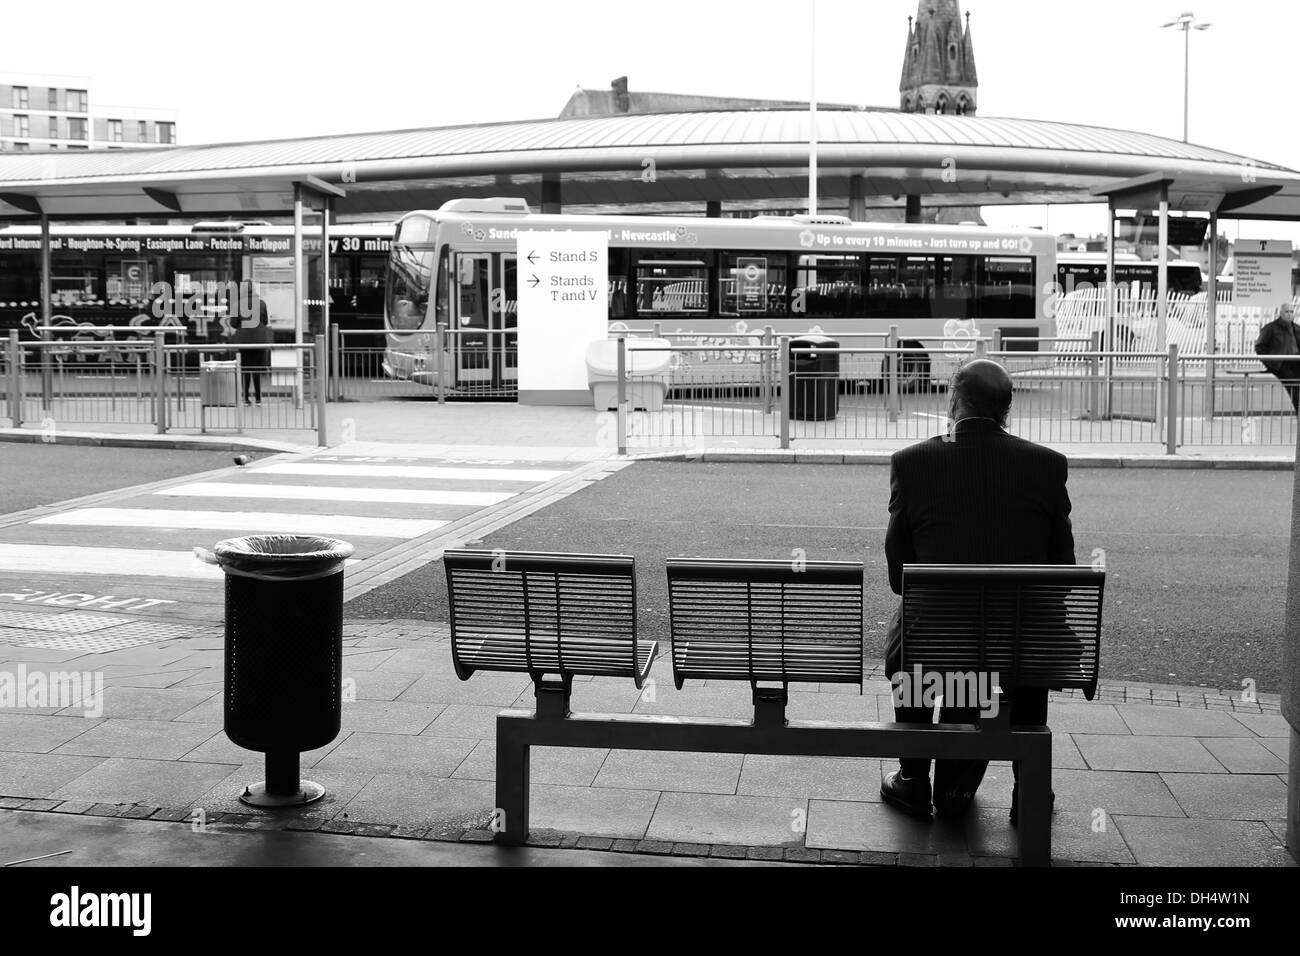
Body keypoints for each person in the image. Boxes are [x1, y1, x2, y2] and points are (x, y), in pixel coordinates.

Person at [880, 359, 1076, 822]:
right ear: (1007, 409)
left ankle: (912, 778)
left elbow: (896, 575)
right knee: (1028, 632)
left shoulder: (912, 463)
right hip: (1018, 651)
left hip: (935, 648)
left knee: (912, 635)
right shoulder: (1047, 465)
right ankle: (1029, 789)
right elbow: (1062, 570)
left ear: (953, 400)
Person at [1253, 302, 1300, 413]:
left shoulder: (1297, 328)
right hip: (1280, 363)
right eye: (1286, 312)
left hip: (1296, 361)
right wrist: (1270, 362)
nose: (1289, 314)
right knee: (1295, 387)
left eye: (1291, 312)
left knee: (1297, 388)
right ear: (1281, 313)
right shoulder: (1271, 328)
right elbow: (1260, 347)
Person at [232, 288, 273, 406]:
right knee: (256, 369)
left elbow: (233, 323)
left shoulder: (237, 304)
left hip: (244, 341)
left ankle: (245, 398)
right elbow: (265, 321)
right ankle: (258, 399)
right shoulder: (262, 303)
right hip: (259, 340)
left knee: (244, 369)